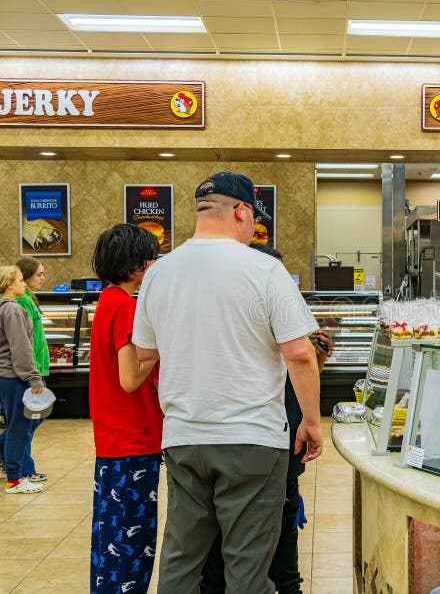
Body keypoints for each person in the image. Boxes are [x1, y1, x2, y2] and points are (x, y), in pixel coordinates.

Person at [132, 172, 323, 593]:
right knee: (247, 568)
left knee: (181, 560)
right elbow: (300, 353)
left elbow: (144, 352)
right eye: (253, 218)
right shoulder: (264, 269)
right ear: (240, 211)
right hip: (252, 439)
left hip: (183, 437)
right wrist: (311, 420)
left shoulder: (159, 273)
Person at [200, 243, 334, 594]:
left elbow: (300, 368)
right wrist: (313, 422)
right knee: (270, 538)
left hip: (258, 441)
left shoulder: (231, 314)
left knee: (230, 538)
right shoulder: (260, 314)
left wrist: (317, 357)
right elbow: (297, 359)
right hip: (265, 442)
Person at [88, 224, 163, 594]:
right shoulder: (127, 307)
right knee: (132, 544)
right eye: (151, 260)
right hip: (133, 438)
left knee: (110, 541)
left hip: (114, 438)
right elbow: (130, 378)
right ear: (136, 266)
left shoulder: (107, 300)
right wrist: (160, 349)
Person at [0, 257, 48, 483]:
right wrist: (33, 377)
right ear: (10, 284)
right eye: (20, 280)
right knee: (19, 427)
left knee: (19, 425)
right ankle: (16, 477)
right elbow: (21, 348)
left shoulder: (6, 308)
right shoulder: (13, 310)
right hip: (16, 376)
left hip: (9, 375)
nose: (24, 284)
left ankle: (17, 473)